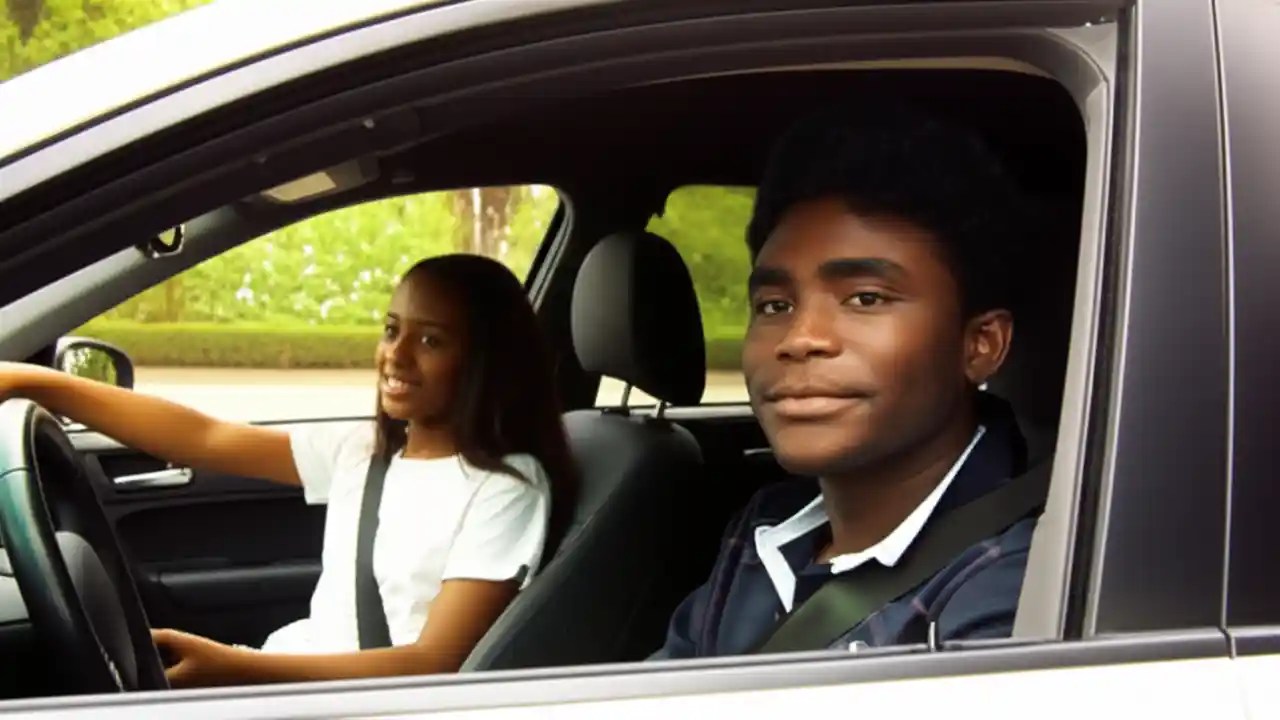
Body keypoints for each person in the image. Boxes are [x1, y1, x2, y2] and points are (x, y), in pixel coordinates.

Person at [0, 254, 577, 686]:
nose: (396, 356)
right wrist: (36, 383)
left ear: (485, 361)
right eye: (391, 329)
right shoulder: (368, 451)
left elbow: (435, 661)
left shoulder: (506, 487)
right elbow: (206, 438)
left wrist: (235, 669)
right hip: (293, 681)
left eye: (430, 340)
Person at [652, 106, 1034, 658]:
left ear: (980, 344)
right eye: (775, 304)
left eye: (865, 298)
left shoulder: (1015, 584)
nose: (800, 338)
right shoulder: (767, 529)